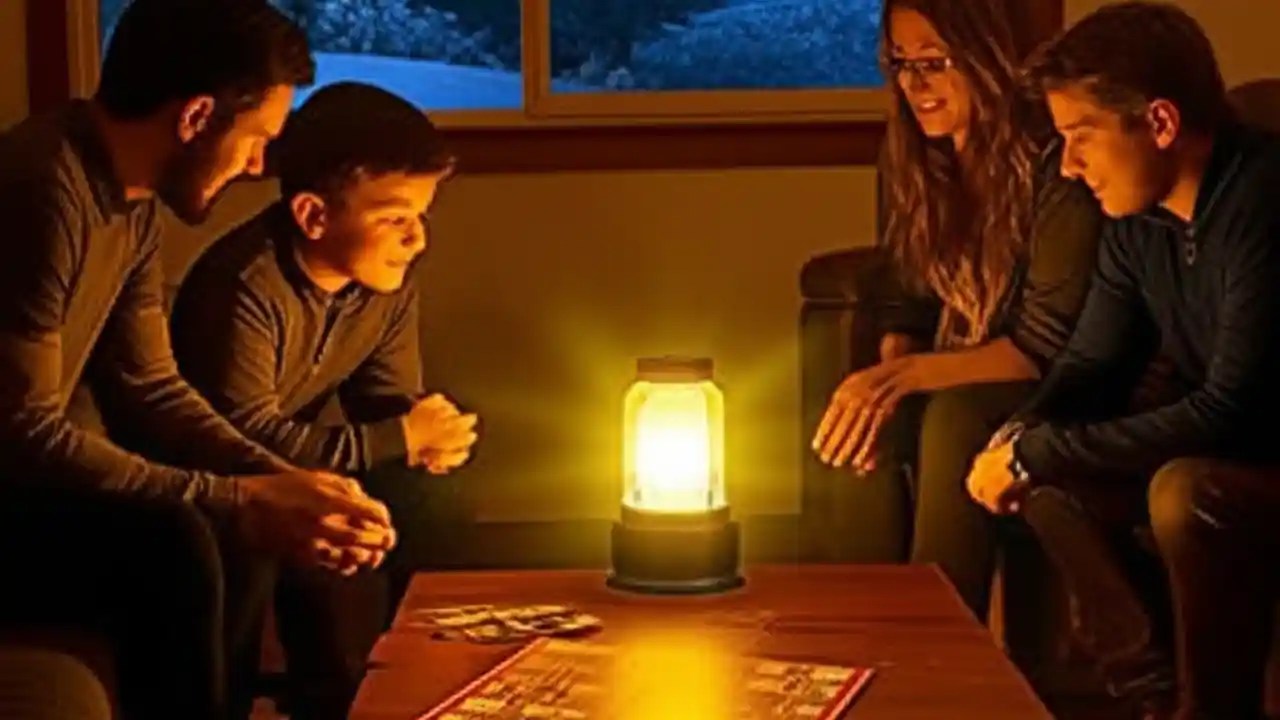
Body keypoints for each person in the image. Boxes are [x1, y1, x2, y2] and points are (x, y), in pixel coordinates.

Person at [0, 1, 396, 719]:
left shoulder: (133, 204)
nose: (258, 166)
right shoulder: (44, 188)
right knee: (176, 538)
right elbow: (24, 430)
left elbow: (152, 384)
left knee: (224, 515)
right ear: (197, 117)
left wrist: (284, 481)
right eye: (256, 140)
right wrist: (243, 500)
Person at [965, 3, 1280, 718]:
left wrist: (1037, 451)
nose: (1069, 166)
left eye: (1081, 136)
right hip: (1229, 449)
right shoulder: (1140, 222)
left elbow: (1232, 411)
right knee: (1050, 483)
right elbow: (1092, 364)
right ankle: (1155, 700)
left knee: (1182, 490)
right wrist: (1020, 439)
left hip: (1261, 453)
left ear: (1160, 123)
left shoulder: (1264, 201)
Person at [171, 82, 477, 719]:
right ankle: (273, 695)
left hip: (302, 466)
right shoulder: (244, 288)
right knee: (282, 544)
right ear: (314, 216)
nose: (416, 239)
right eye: (395, 219)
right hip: (218, 478)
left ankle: (423, 676)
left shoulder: (383, 285)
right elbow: (244, 437)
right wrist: (401, 436)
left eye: (422, 216)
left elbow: (385, 403)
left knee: (427, 496)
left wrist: (429, 440)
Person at [811, 0, 1102, 625]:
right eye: (901, 63)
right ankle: (858, 628)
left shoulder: (1053, 162)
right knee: (864, 415)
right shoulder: (913, 158)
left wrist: (906, 376)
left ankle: (934, 637)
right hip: (961, 363)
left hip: (1053, 379)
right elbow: (908, 298)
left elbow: (1041, 348)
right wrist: (889, 372)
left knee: (953, 416)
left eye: (935, 62)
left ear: (985, 58)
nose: (915, 84)